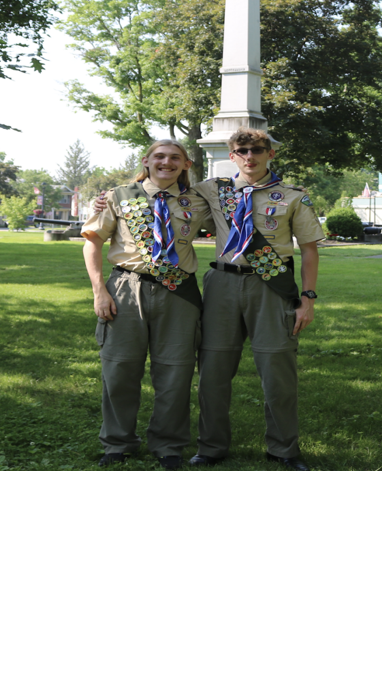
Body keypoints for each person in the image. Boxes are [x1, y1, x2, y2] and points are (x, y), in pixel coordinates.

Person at [93, 129, 323, 470]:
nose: (250, 156)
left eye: (257, 150)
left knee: (278, 372)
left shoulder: (291, 197)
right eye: (242, 150)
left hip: (271, 287)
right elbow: (159, 195)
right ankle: (211, 447)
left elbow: (309, 249)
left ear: (269, 154)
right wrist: (104, 200)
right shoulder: (212, 190)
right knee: (213, 373)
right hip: (222, 286)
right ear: (232, 156)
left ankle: (283, 449)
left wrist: (307, 298)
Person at [81, 139, 204, 468]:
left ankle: (168, 445)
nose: (167, 162)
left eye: (175, 157)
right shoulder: (120, 196)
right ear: (147, 160)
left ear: (186, 165)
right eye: (160, 156)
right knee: (119, 369)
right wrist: (99, 291)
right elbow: (92, 242)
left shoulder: (200, 201)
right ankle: (118, 442)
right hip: (126, 288)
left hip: (179, 292)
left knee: (175, 372)